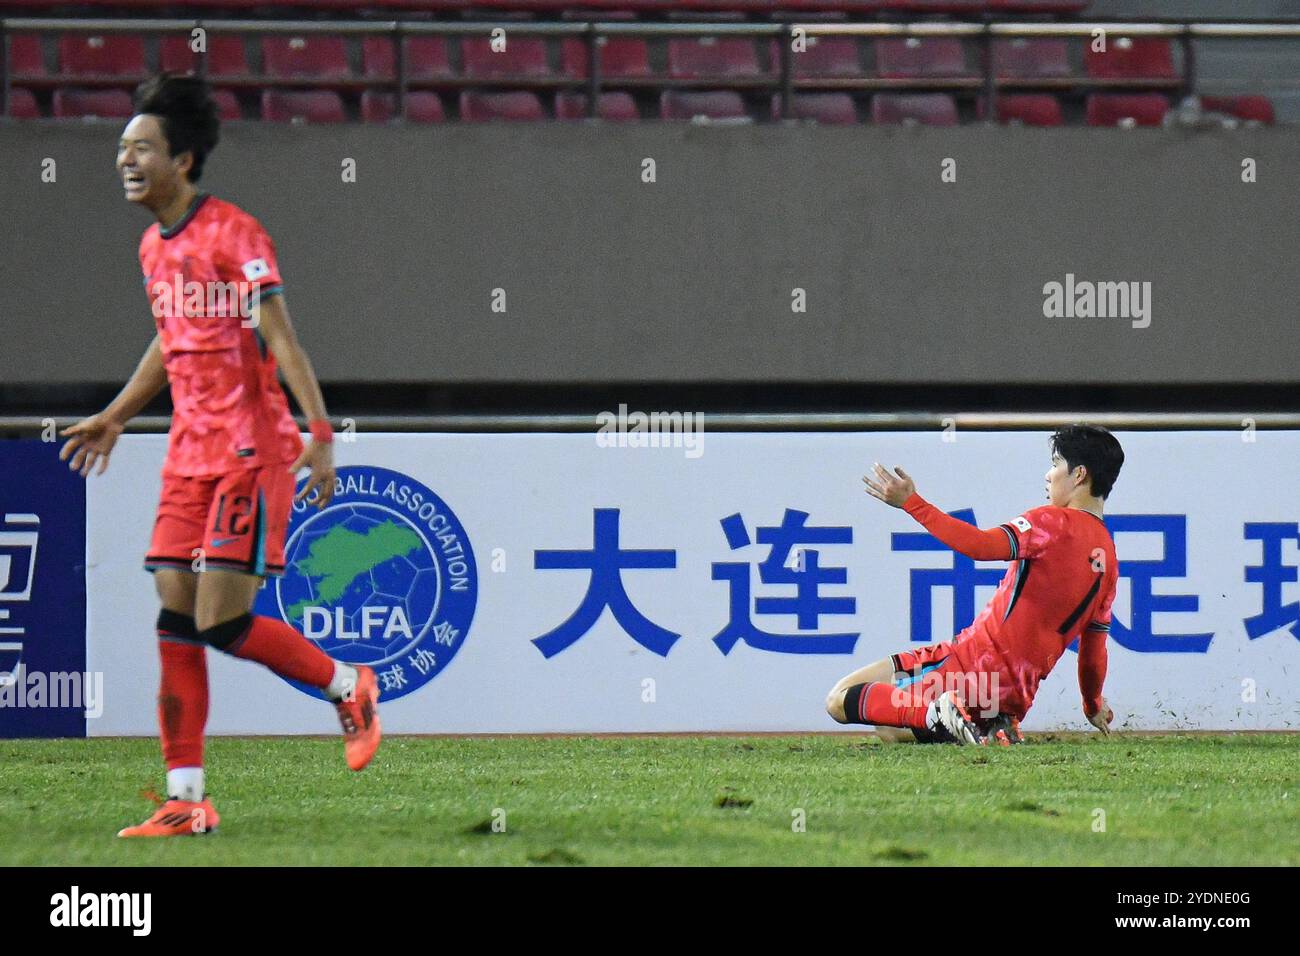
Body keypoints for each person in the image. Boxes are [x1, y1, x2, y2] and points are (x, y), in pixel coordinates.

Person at [59, 74, 380, 837]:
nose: (125, 161)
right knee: (174, 610)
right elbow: (170, 346)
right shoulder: (152, 246)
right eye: (121, 148)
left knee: (219, 621)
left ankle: (346, 685)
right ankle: (186, 798)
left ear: (186, 159)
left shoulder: (235, 235)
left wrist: (322, 434)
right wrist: (112, 415)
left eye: (142, 149)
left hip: (249, 448)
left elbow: (283, 340)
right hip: (188, 453)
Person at [826, 425, 1124, 745]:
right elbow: (1093, 653)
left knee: (840, 698)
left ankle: (940, 713)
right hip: (1012, 696)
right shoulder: (1109, 562)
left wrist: (912, 503)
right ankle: (990, 725)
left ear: (1079, 474)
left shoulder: (1051, 522)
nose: (1049, 475)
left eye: (1055, 463)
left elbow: (979, 546)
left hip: (967, 670)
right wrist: (1092, 705)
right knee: (890, 728)